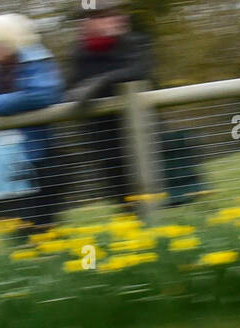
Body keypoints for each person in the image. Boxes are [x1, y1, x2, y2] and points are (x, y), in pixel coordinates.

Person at [0, 14, 65, 231]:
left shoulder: (36, 60)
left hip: (39, 149)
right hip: (1, 158)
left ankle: (46, 248)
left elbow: (43, 95)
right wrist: (19, 101)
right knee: (19, 217)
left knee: (45, 210)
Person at [65, 0, 156, 206]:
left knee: (152, 197)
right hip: (104, 142)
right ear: (87, 23)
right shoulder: (80, 54)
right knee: (124, 202)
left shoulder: (135, 42)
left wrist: (100, 82)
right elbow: (73, 90)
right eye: (106, 15)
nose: (118, 18)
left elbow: (139, 72)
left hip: (141, 135)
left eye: (116, 13)